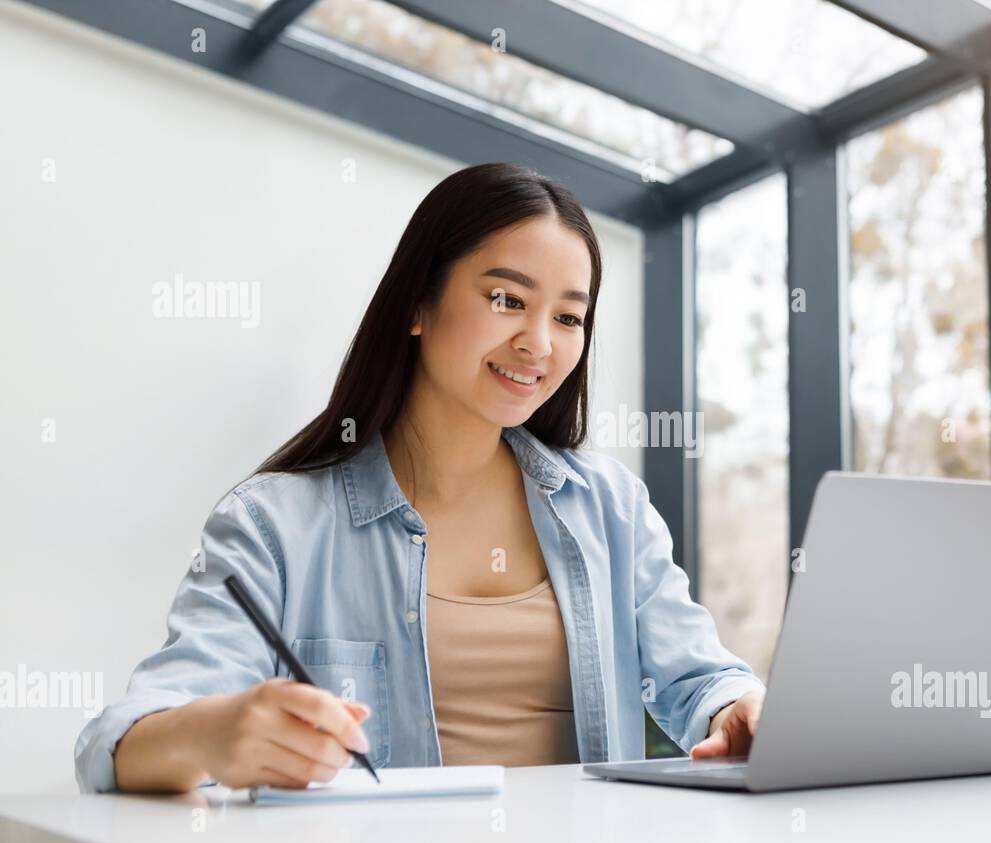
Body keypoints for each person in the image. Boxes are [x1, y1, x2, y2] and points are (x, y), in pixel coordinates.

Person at [74, 162, 766, 794]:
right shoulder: (274, 525)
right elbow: (118, 743)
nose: (539, 343)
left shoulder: (611, 508)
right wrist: (214, 734)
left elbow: (701, 677)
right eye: (505, 299)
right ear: (417, 304)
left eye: (568, 317)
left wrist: (740, 709)